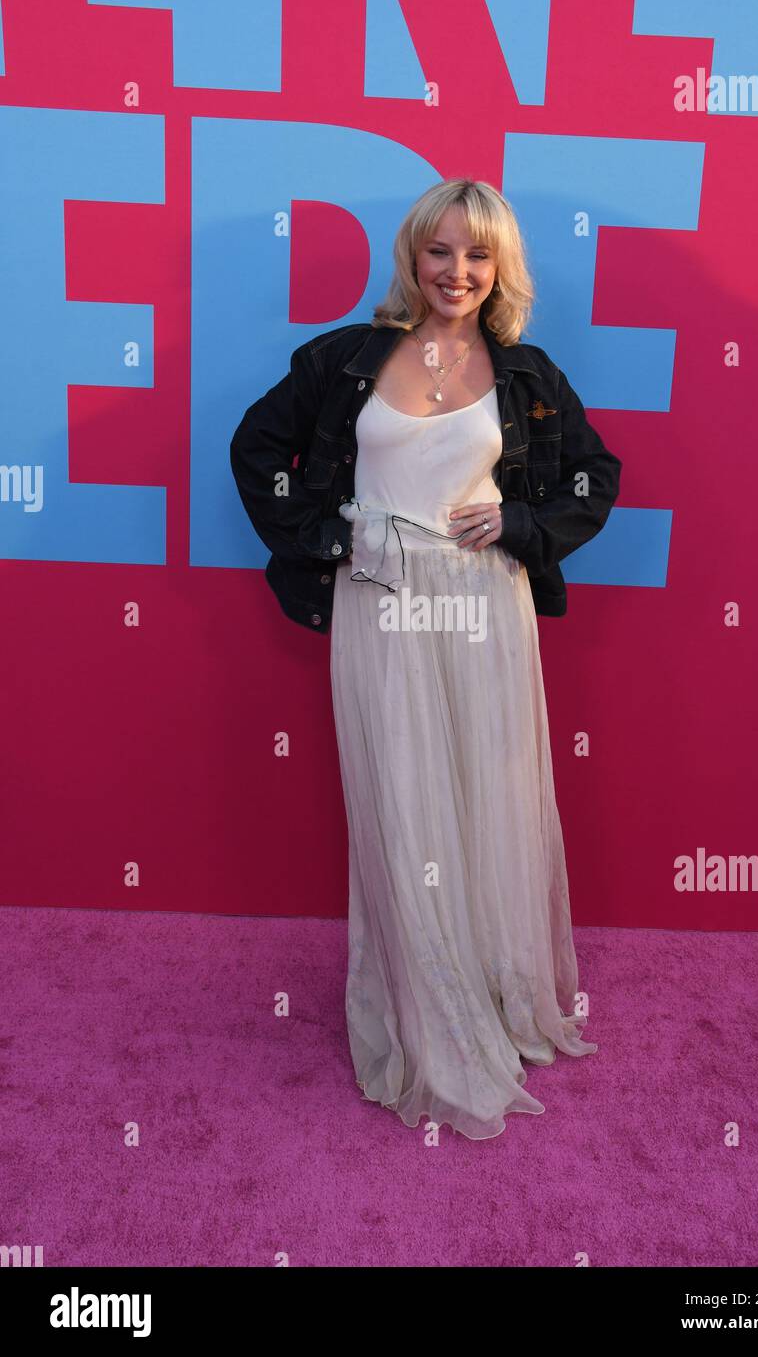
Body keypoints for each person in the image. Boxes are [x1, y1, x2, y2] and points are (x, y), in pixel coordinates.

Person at [230, 178, 622, 1140]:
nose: (458, 272)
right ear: (413, 257)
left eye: (478, 255)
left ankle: (496, 996)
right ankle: (430, 1028)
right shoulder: (344, 360)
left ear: (500, 269)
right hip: (382, 605)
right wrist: (330, 539)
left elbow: (594, 476)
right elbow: (257, 449)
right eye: (441, 251)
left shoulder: (523, 373)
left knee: (489, 808)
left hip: (489, 606)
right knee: (405, 812)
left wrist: (524, 519)